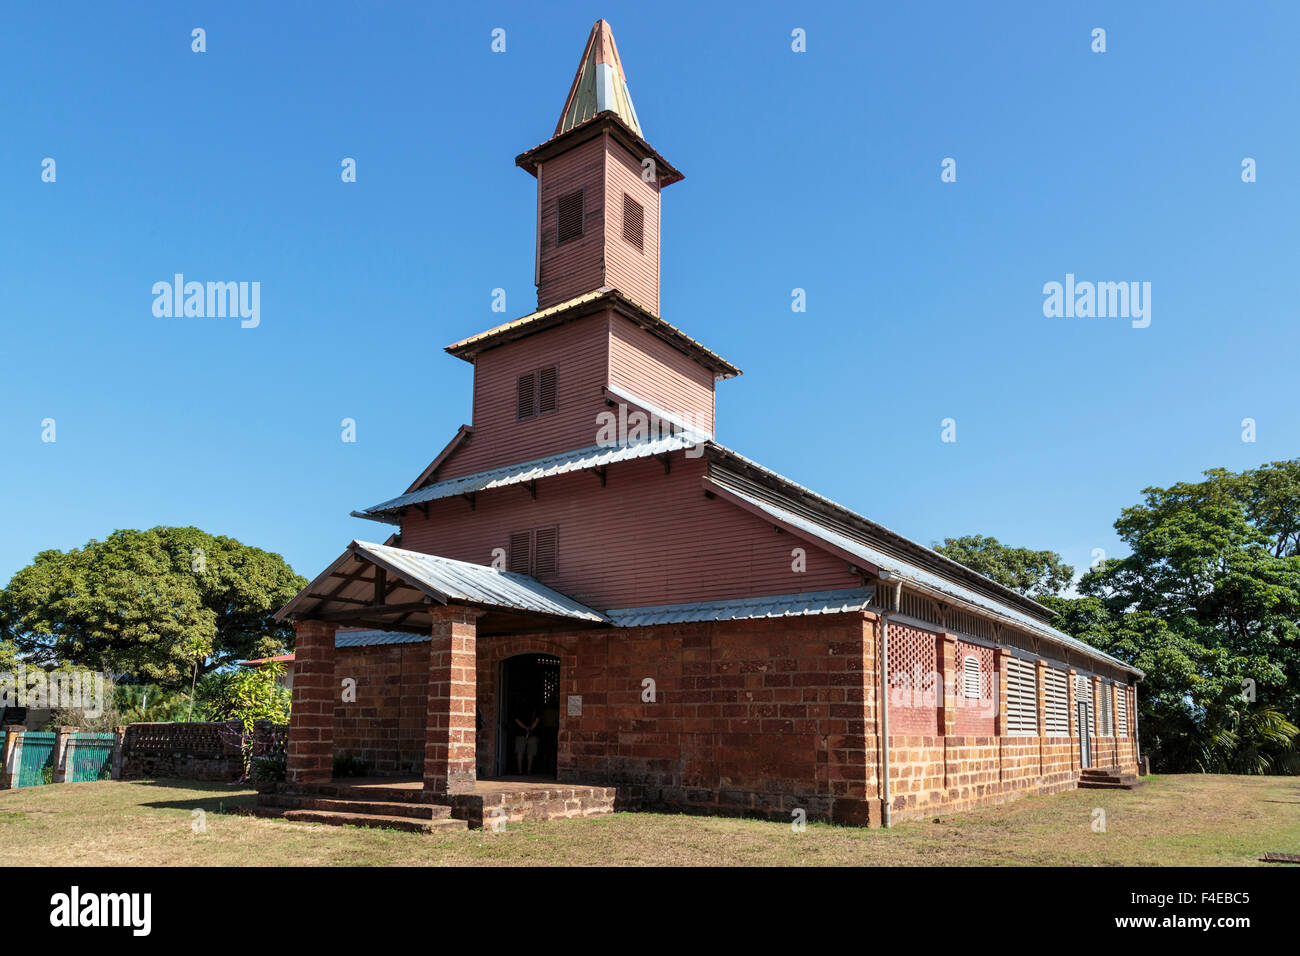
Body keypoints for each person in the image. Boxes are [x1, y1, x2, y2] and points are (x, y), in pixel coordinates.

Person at [513, 707, 539, 775]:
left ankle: (520, 771)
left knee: (520, 752)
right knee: (530, 753)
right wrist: (530, 729)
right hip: (532, 733)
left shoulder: (519, 706)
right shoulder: (536, 707)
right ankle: (529, 770)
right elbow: (537, 720)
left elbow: (516, 720)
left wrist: (525, 728)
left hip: (520, 733)